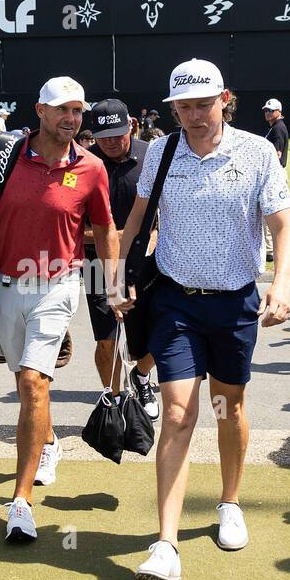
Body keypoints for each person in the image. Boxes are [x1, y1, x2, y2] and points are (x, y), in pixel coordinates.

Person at [114, 59, 290, 580]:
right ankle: (166, 543)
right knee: (176, 413)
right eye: (183, 106)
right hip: (175, 303)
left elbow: (283, 227)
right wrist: (115, 276)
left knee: (229, 405)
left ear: (225, 100)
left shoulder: (258, 152)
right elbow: (137, 220)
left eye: (202, 103)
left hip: (236, 302)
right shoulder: (163, 152)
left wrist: (281, 285)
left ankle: (230, 501)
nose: (193, 115)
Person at [0, 77, 116, 543]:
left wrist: (114, 285)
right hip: (7, 284)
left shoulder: (92, 168)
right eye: (62, 110)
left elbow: (106, 228)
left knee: (34, 382)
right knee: (24, 379)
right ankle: (48, 440)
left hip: (60, 285)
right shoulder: (4, 155)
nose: (71, 119)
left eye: (77, 111)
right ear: (40, 110)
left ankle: (20, 503)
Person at [83, 99, 158, 417]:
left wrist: (153, 239)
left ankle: (141, 376)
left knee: (156, 334)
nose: (111, 141)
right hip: (97, 263)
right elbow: (74, 227)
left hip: (147, 260)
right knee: (106, 340)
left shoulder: (151, 156)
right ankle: (114, 399)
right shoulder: (82, 163)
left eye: (117, 133)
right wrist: (115, 238)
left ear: (131, 125)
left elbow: (164, 212)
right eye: (103, 135)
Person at [262, 98, 289, 169]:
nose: (267, 113)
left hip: (276, 171)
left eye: (271, 110)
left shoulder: (278, 128)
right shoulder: (274, 127)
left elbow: (277, 154)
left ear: (279, 111)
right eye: (266, 110)